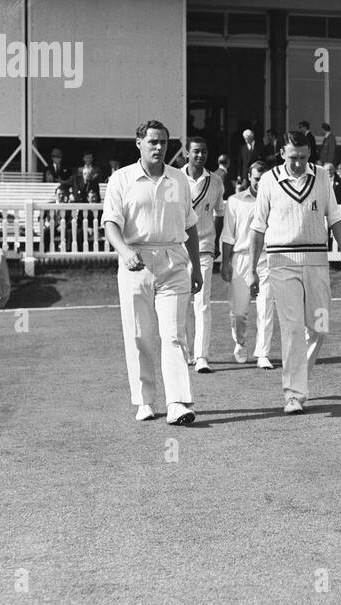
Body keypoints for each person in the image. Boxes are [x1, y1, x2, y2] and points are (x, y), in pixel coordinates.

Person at [102, 120, 204, 426]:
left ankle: (177, 403)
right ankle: (145, 400)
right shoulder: (122, 179)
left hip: (174, 262)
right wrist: (125, 252)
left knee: (174, 335)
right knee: (140, 336)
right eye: (152, 142)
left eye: (163, 142)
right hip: (136, 262)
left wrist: (196, 267)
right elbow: (111, 224)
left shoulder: (178, 180)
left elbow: (190, 226)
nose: (159, 147)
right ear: (139, 144)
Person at [245, 130, 341, 414]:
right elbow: (258, 228)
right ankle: (293, 394)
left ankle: (299, 379)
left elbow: (336, 218)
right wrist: (251, 271)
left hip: (317, 262)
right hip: (281, 263)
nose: (298, 163)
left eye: (304, 158)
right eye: (293, 157)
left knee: (319, 327)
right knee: (292, 328)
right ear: (282, 153)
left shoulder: (321, 176)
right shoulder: (268, 181)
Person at [220, 159, 277, 369]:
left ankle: (263, 353)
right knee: (239, 312)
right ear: (249, 178)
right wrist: (225, 262)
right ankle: (240, 342)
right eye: (256, 179)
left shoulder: (275, 201)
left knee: (265, 307)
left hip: (266, 258)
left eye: (264, 180)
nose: (260, 183)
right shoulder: (235, 201)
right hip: (241, 258)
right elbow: (227, 235)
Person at [182, 137, 226, 375]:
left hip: (205, 246)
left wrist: (216, 239)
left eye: (204, 152)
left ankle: (201, 356)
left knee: (202, 302)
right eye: (196, 152)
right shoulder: (175, 178)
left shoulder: (216, 181)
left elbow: (220, 212)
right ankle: (185, 352)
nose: (200, 156)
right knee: (181, 302)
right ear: (187, 154)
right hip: (179, 248)